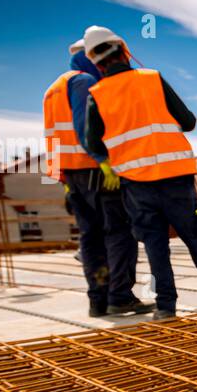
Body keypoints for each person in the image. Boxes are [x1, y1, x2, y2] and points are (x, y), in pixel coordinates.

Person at [79, 24, 197, 320]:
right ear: (124, 51)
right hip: (176, 177)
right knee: (194, 237)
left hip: (136, 185)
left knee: (155, 246)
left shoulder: (96, 95)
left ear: (95, 62)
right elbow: (188, 121)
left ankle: (166, 307)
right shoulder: (151, 79)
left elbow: (92, 143)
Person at [44, 38, 151, 318]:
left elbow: (56, 139)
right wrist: (106, 162)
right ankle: (120, 296)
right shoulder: (84, 82)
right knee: (120, 233)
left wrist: (66, 179)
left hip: (73, 176)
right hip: (96, 171)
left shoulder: (54, 88)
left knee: (90, 238)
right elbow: (84, 129)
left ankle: (98, 300)